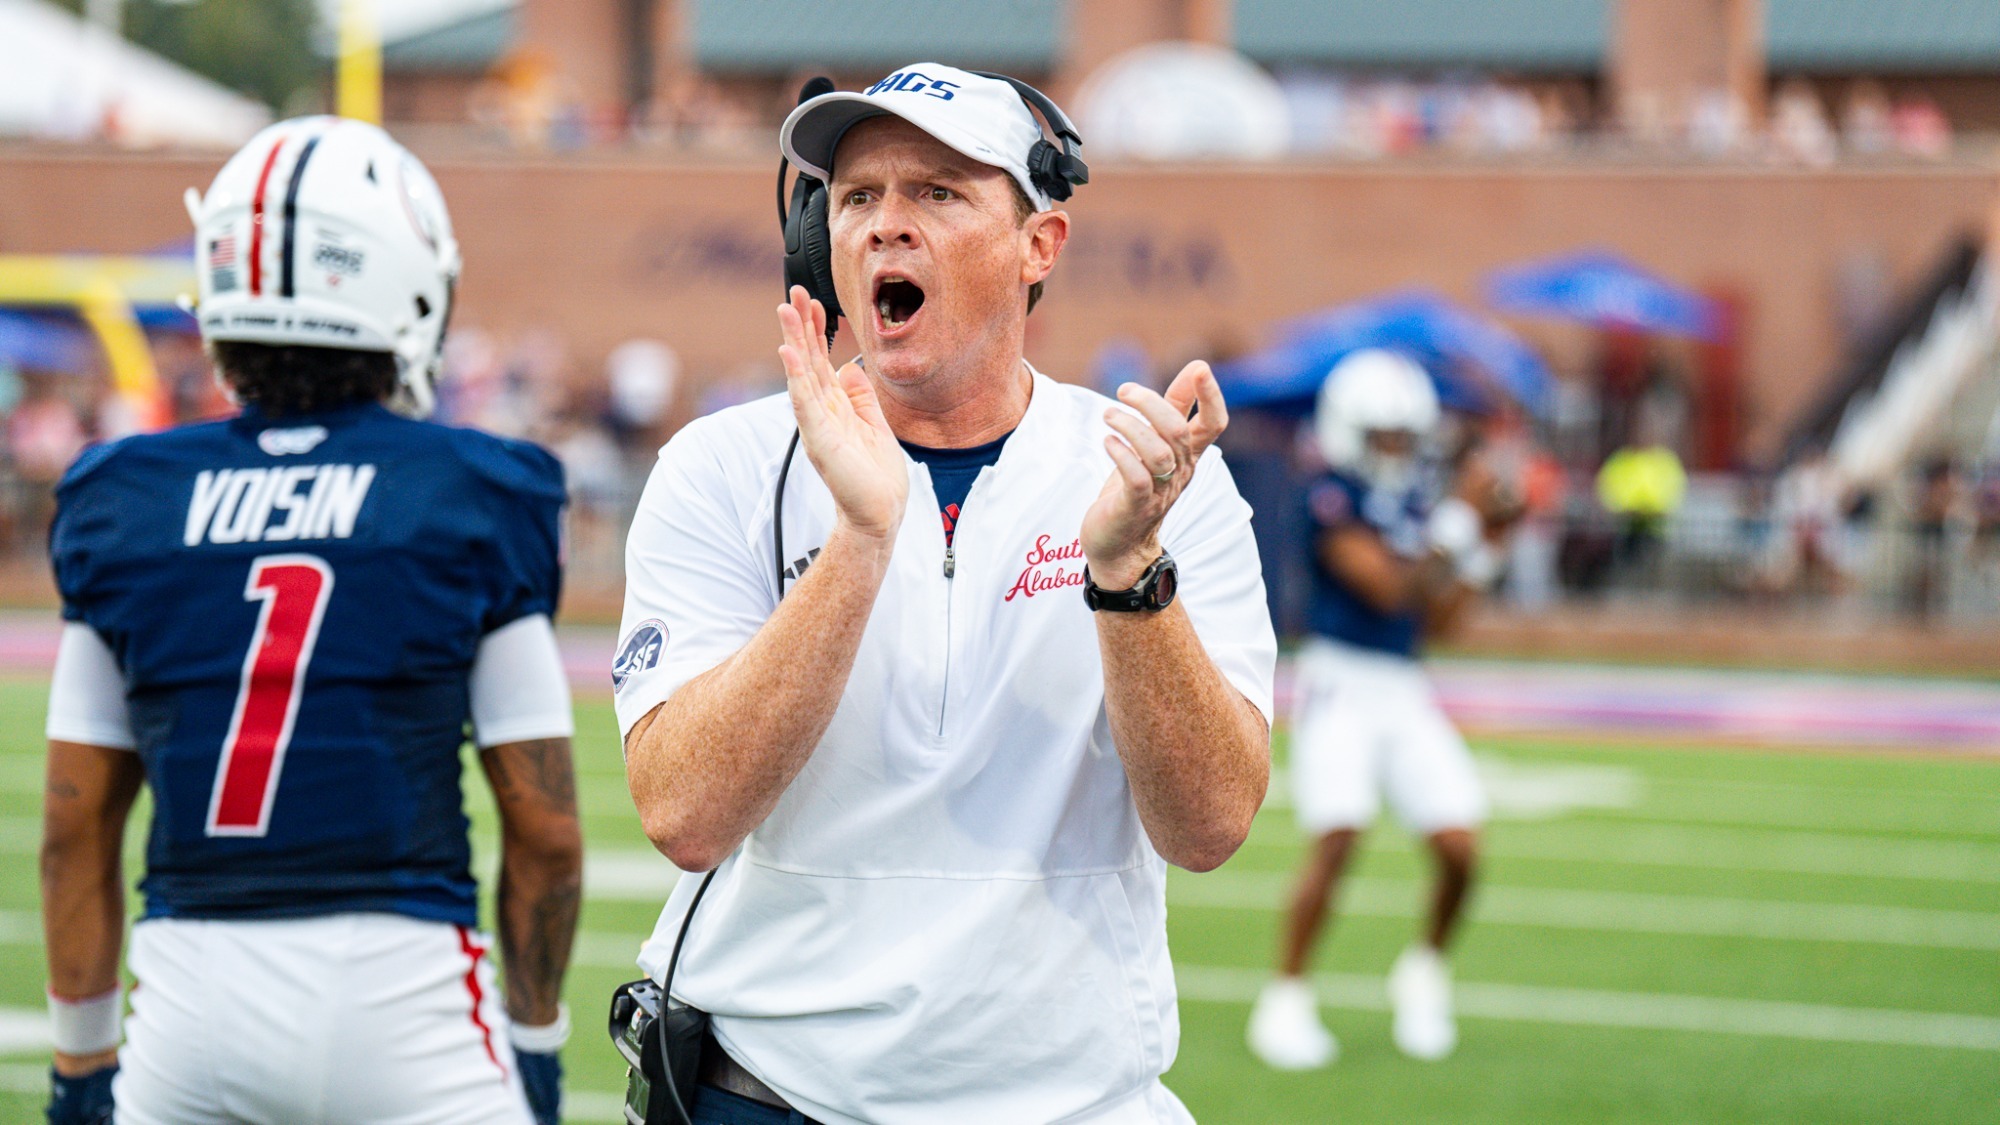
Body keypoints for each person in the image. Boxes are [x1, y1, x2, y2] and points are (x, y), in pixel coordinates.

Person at [614, 64, 1276, 1124]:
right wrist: (862, 543)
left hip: (1068, 1104)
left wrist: (1125, 575)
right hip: (767, 1096)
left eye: (937, 192)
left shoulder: (1146, 477)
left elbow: (1207, 828)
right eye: (857, 197)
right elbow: (682, 812)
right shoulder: (721, 466)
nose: (885, 225)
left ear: (1036, 248)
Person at [39, 117, 582, 1125]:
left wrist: (79, 1072)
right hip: (406, 996)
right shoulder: (472, 488)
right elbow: (544, 831)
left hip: (187, 999)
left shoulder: (124, 495)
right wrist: (537, 1045)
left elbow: (75, 827)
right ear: (406, 287)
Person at [1247, 349, 1517, 1070]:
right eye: (1385, 435)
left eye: (1405, 436)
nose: (1398, 449)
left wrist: (1492, 543)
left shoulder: (1417, 504)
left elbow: (1443, 617)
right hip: (1340, 680)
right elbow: (1388, 590)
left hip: (1404, 684)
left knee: (1460, 846)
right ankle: (1286, 993)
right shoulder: (1327, 493)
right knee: (1338, 834)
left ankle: (1424, 968)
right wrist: (1461, 521)